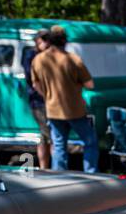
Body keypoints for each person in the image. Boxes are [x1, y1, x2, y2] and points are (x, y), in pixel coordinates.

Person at [30, 25, 97, 173]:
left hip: (52, 109)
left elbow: (35, 84)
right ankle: (91, 174)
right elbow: (90, 84)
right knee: (90, 141)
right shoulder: (73, 59)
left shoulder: (38, 60)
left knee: (59, 145)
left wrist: (47, 96)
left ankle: (59, 178)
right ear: (64, 41)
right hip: (75, 110)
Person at [21, 30, 51, 169]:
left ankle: (46, 168)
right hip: (39, 100)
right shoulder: (31, 56)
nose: (45, 43)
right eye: (42, 40)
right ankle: (47, 168)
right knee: (48, 134)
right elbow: (32, 79)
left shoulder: (51, 55)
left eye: (47, 39)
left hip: (50, 100)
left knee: (46, 136)